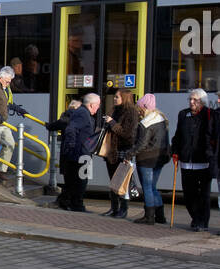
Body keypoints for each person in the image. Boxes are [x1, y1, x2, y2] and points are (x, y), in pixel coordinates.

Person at [171, 88, 214, 232]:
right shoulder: (183, 114)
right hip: (186, 161)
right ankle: (195, 217)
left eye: (195, 100)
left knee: (204, 195)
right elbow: (178, 135)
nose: (191, 102)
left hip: (203, 161)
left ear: (202, 101)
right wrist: (175, 151)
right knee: (189, 194)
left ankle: (203, 221)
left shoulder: (209, 114)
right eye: (190, 99)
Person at [59, 92, 102, 212]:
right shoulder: (83, 114)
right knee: (81, 180)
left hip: (81, 152)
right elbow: (71, 128)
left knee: (76, 179)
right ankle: (77, 205)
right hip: (81, 153)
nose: (98, 108)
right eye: (98, 105)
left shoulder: (82, 112)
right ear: (92, 105)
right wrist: (72, 145)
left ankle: (70, 202)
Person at [132, 94, 170, 226]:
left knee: (147, 187)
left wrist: (130, 153)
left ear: (144, 108)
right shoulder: (161, 119)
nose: (139, 110)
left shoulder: (145, 123)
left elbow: (142, 144)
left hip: (146, 158)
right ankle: (160, 216)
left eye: (140, 108)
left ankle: (149, 217)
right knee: (153, 187)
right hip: (160, 158)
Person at [100, 89, 138, 219]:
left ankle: (123, 209)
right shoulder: (114, 110)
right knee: (113, 180)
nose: (114, 99)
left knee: (122, 180)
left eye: (117, 97)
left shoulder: (131, 112)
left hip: (124, 150)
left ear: (124, 98)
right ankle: (113, 208)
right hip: (112, 150)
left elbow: (127, 134)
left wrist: (112, 123)